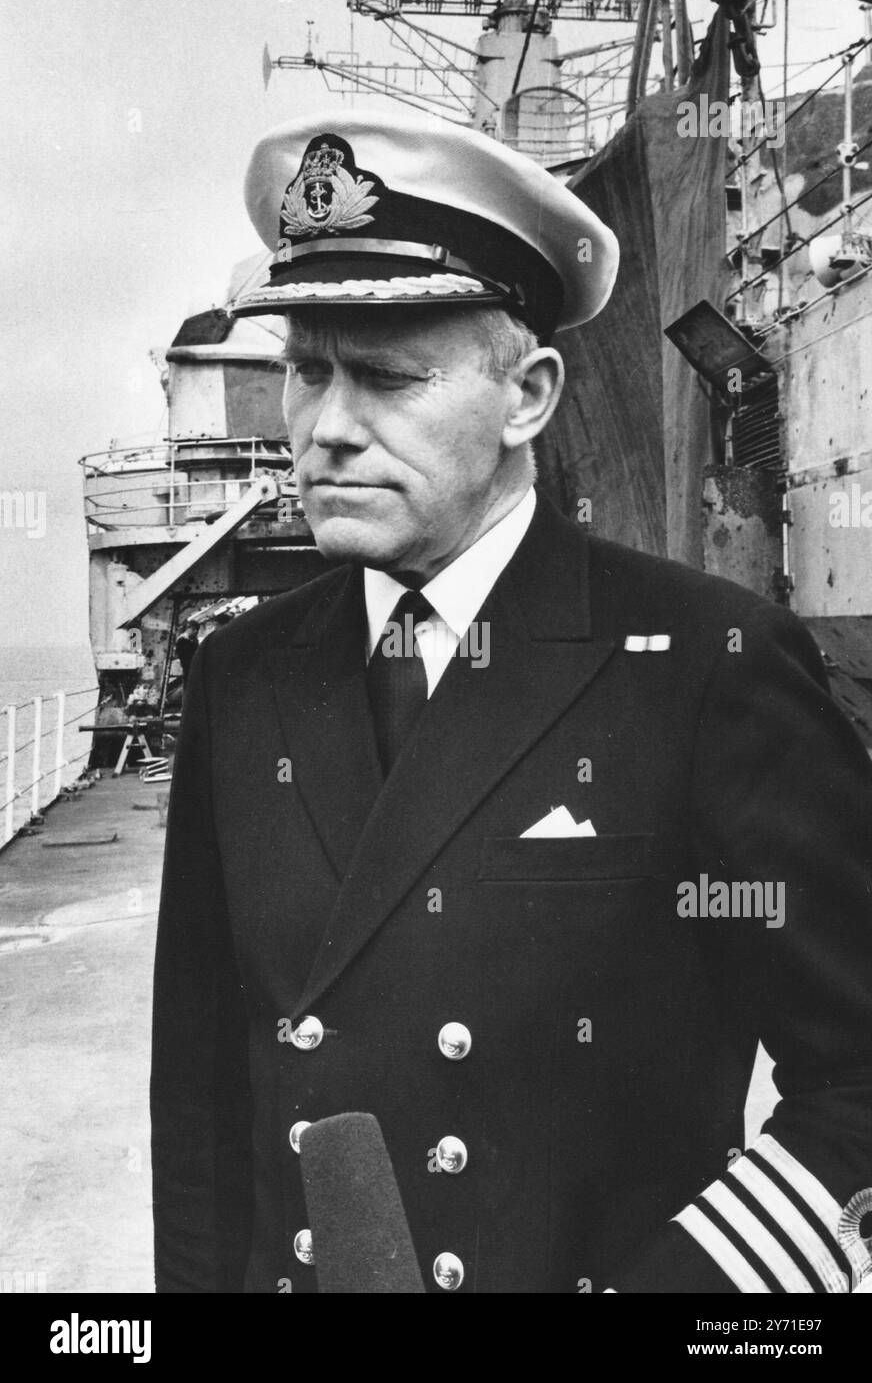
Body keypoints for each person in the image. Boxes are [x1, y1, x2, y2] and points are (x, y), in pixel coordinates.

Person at [150, 109, 872, 1294]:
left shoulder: (704, 665)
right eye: (306, 371)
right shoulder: (244, 676)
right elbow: (203, 1106)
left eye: (388, 377)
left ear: (526, 396)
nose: (327, 430)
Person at [174, 619, 200, 687]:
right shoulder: (182, 640)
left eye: (197, 630)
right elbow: (181, 654)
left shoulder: (194, 640)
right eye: (193, 629)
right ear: (188, 629)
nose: (196, 631)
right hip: (187, 666)